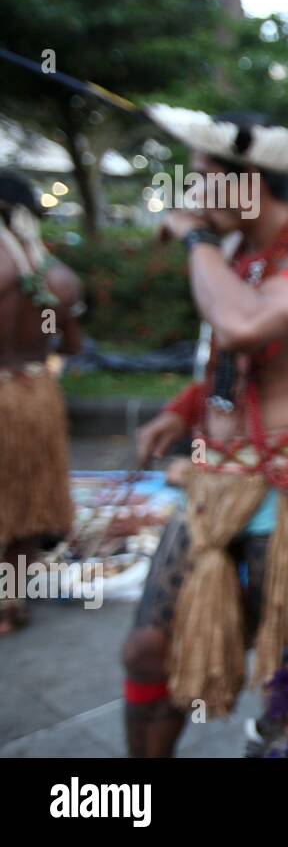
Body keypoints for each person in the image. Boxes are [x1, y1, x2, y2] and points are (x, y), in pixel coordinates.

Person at [120, 109, 288, 757]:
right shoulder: (238, 255)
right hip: (212, 484)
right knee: (146, 652)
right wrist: (185, 406)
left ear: (250, 184)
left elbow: (247, 325)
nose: (194, 197)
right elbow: (229, 357)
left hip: (285, 492)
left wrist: (195, 239)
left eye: (205, 181)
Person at [0, 168, 82, 635]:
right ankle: (11, 599)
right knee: (27, 501)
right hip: (36, 396)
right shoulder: (59, 280)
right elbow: (69, 346)